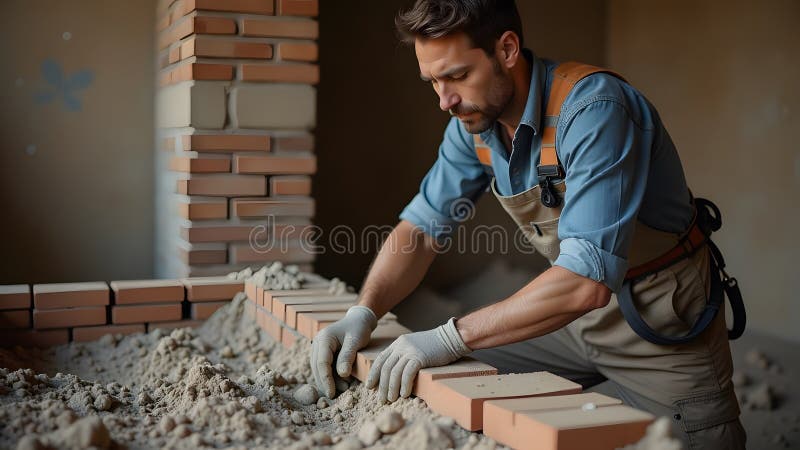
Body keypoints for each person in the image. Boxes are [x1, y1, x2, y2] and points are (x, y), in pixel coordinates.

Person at [310, 1, 746, 448]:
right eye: (433, 82)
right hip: (571, 321)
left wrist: (447, 336)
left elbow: (584, 282)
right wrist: (364, 311)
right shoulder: (473, 126)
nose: (445, 101)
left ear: (507, 49)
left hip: (661, 317)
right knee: (444, 384)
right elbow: (421, 227)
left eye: (458, 76)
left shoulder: (595, 111)